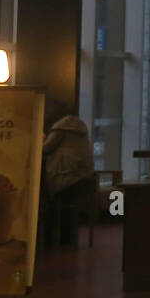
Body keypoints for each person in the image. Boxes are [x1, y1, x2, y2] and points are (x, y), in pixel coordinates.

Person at [41, 102, 96, 245]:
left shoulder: (61, 128)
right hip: (85, 178)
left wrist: (39, 139)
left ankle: (49, 239)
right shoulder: (79, 128)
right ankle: (64, 238)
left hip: (68, 178)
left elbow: (44, 149)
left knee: (46, 200)